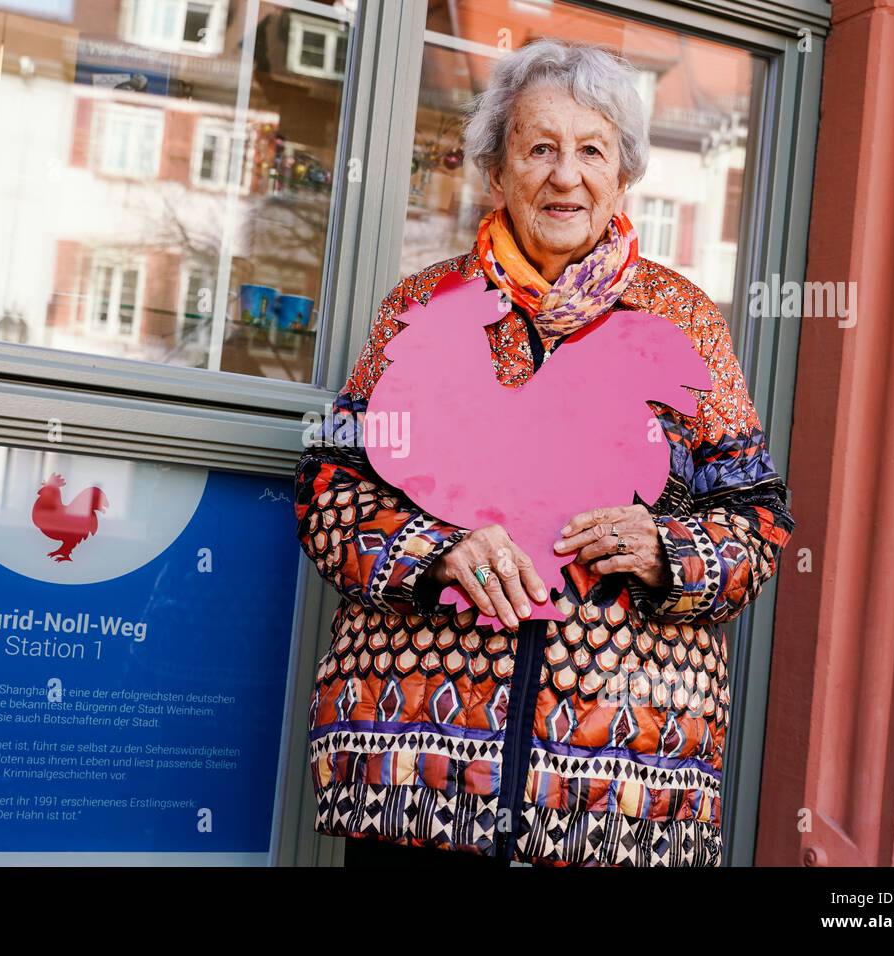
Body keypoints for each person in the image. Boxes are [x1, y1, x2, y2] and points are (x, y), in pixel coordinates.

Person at [293, 38, 794, 867]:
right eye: (540, 148)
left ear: (624, 173)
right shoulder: (426, 303)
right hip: (419, 757)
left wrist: (666, 551)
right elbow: (328, 482)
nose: (567, 176)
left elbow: (758, 519)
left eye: (592, 150)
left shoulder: (683, 317)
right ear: (497, 171)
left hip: (620, 776)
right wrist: (437, 551)